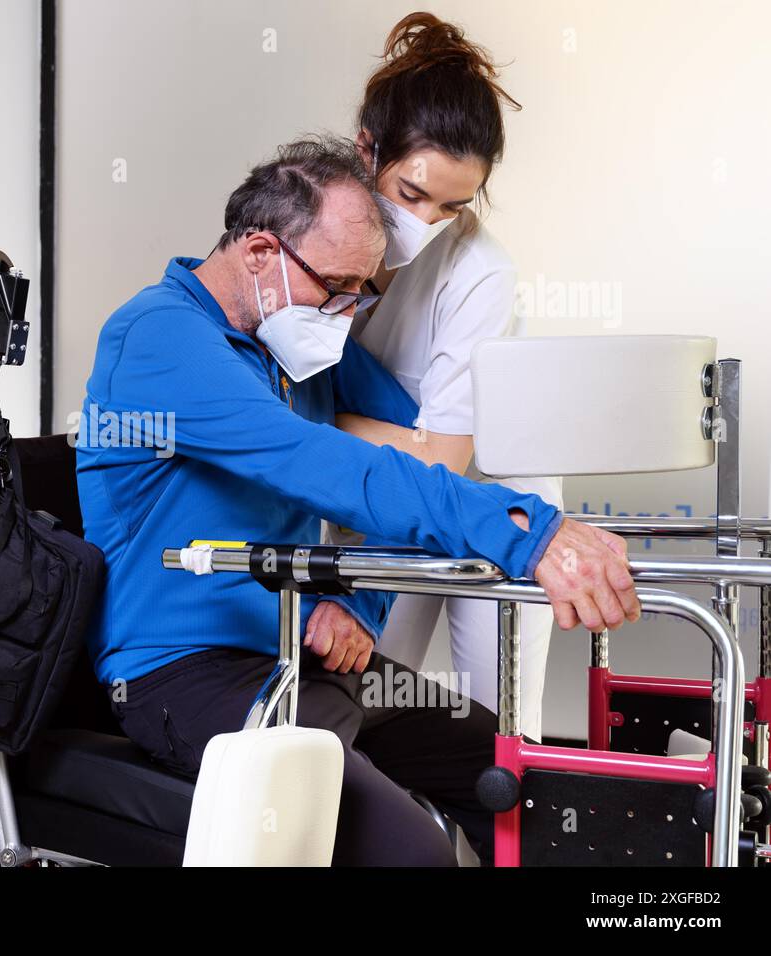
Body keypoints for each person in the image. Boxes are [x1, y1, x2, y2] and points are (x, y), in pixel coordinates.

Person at [74, 135, 638, 865]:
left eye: (359, 293)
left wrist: (359, 604)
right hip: (180, 671)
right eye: (334, 287)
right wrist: (528, 537)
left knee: (515, 783)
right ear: (258, 254)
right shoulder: (157, 338)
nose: (345, 315)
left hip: (300, 647)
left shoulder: (300, 342)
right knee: (409, 851)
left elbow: (430, 458)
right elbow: (335, 469)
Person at [324, 12, 561, 740]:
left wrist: (301, 426)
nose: (427, 221)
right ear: (368, 149)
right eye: (412, 193)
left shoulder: (481, 271)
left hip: (489, 501)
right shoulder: (318, 230)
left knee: (498, 741)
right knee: (356, 717)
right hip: (380, 497)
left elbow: (446, 460)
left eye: (453, 206)